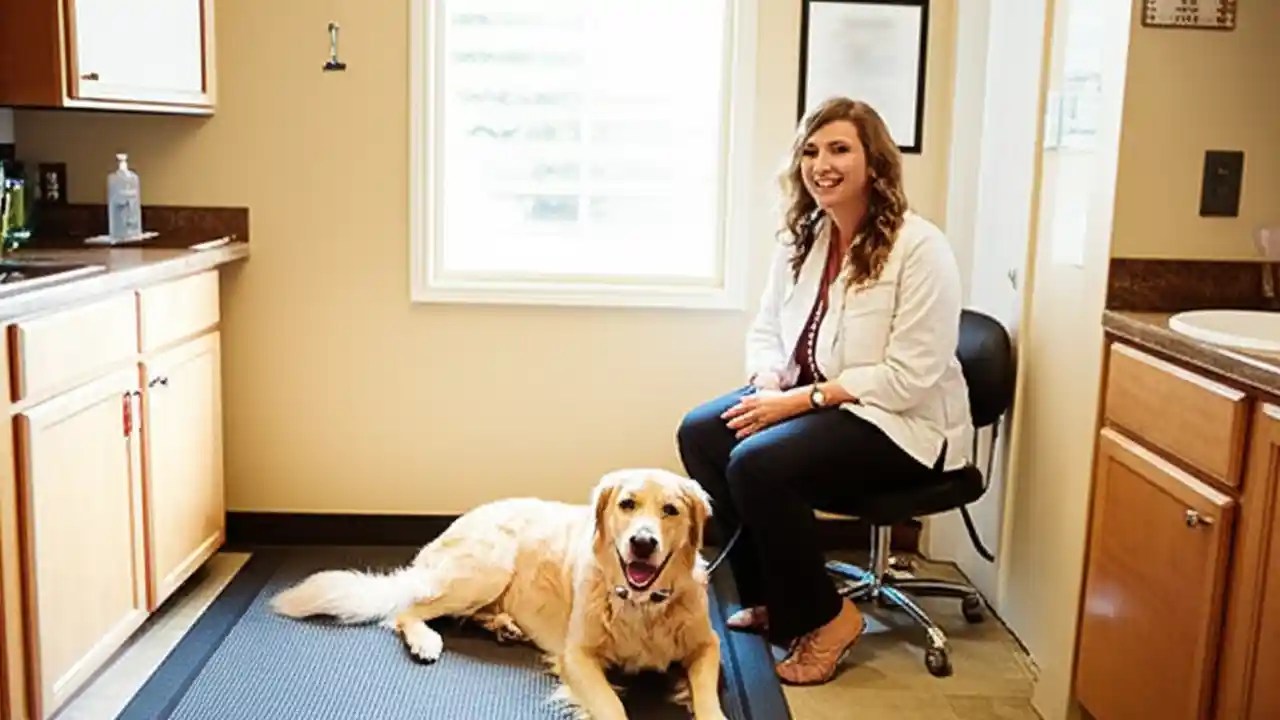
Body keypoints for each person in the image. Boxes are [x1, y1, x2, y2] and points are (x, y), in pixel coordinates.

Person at [676, 97, 973, 685]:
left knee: (759, 463)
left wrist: (798, 402)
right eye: (811, 151)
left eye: (840, 149)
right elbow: (767, 328)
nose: (822, 163)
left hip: (900, 422)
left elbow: (909, 376)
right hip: (816, 402)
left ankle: (830, 617)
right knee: (704, 434)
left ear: (875, 163)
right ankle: (780, 603)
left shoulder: (920, 248)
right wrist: (766, 380)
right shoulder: (803, 239)